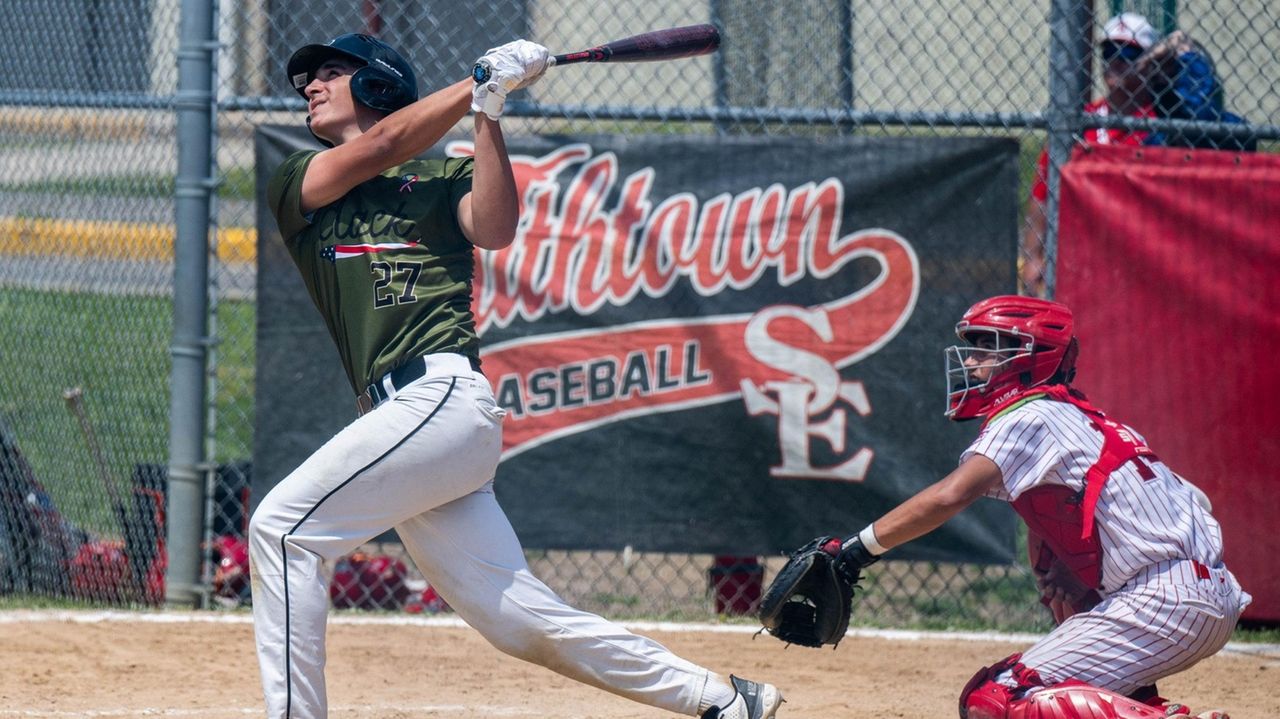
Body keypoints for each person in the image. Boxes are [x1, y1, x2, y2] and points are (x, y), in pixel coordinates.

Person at [250, 32, 783, 719]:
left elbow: (495, 226)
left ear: (378, 86)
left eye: (330, 73)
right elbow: (383, 148)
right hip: (404, 424)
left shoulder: (440, 181)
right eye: (308, 80)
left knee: (283, 530)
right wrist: (474, 80)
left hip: (439, 398)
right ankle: (722, 699)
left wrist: (488, 108)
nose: (310, 87)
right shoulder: (299, 180)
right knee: (519, 619)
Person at [804, 295, 1250, 719]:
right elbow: (1196, 501)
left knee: (995, 698)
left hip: (1163, 601)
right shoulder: (1084, 418)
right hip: (1205, 594)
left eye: (987, 347)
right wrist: (1080, 577)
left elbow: (949, 495)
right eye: (972, 347)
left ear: (1032, 354)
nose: (972, 360)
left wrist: (856, 550)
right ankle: (1147, 706)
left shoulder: (1028, 414)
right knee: (1062, 636)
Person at [1020, 13, 1160, 297]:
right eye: (1109, 52)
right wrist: (1033, 256)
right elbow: (1042, 193)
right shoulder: (1081, 123)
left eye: (1128, 53)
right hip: (1080, 260)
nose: (1116, 61)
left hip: (1142, 262)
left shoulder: (1161, 125)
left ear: (1149, 64)